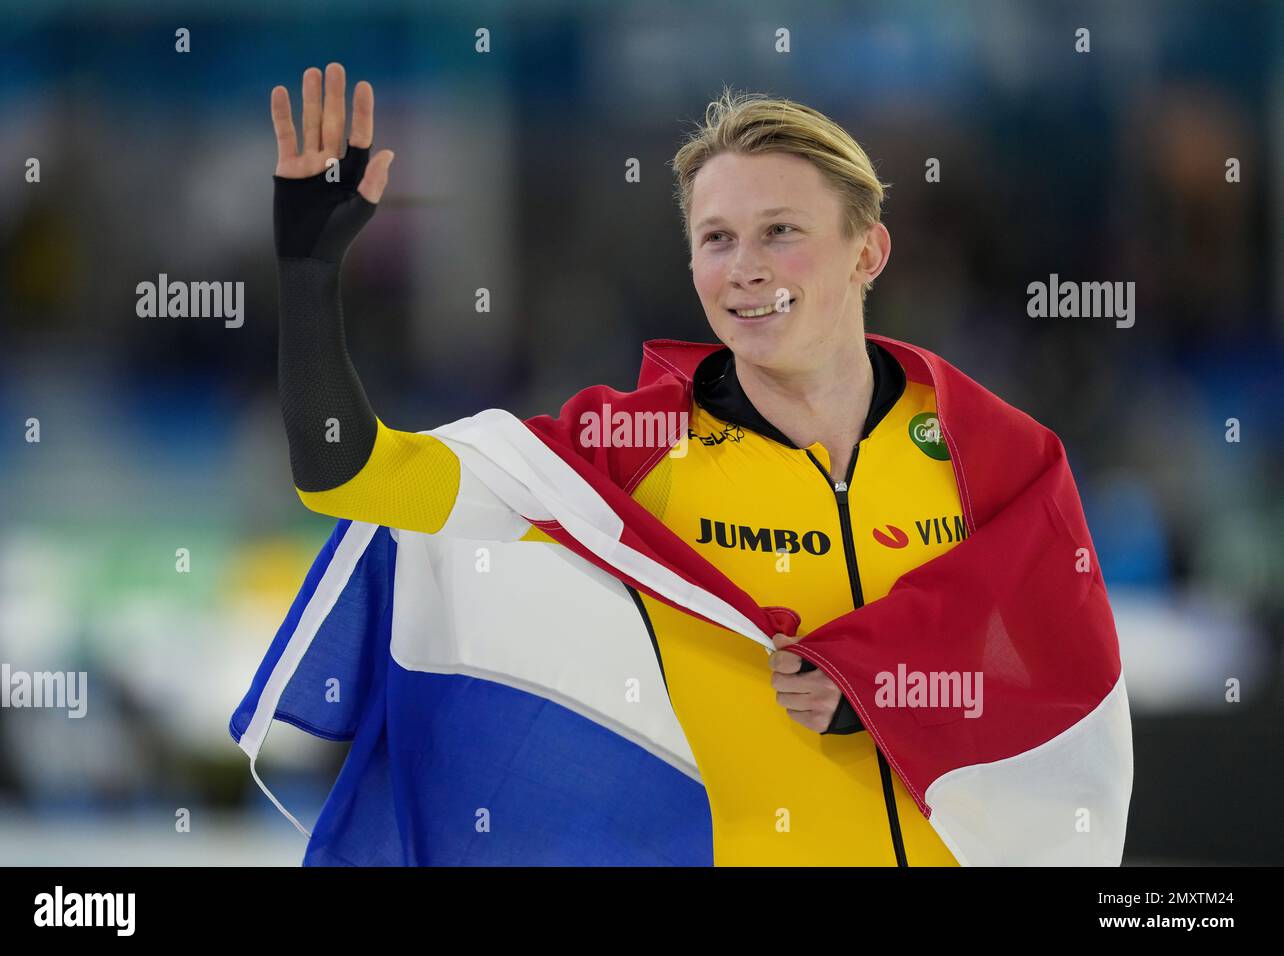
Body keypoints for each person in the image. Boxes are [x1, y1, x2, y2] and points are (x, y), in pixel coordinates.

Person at [269, 64, 1110, 866]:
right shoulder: (626, 456)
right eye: (717, 239)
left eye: (781, 231)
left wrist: (882, 680)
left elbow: (1059, 669)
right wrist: (308, 275)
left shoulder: (985, 451)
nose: (745, 268)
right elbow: (353, 474)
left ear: (869, 252)